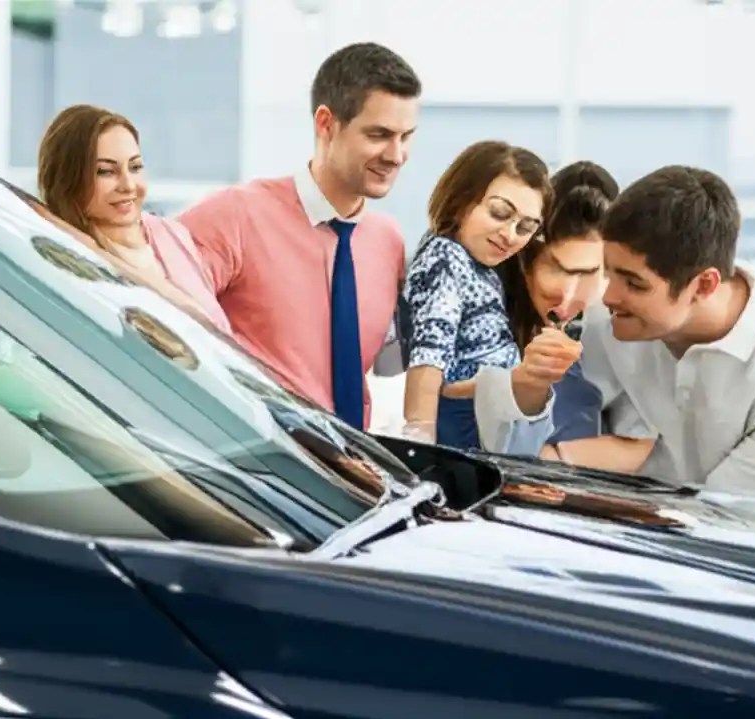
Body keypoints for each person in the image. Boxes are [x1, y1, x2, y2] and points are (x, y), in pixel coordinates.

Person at [554, 165, 755, 508]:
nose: (608, 297)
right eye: (608, 272)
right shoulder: (610, 320)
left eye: (634, 284)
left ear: (704, 285)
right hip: (647, 524)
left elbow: (731, 521)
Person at [177, 42, 421, 430]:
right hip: (254, 466)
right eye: (379, 134)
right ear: (326, 124)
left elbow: (388, 364)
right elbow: (149, 308)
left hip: (351, 469)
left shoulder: (387, 239)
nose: (397, 155)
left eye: (406, 136)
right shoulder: (235, 215)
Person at [398, 140, 561, 449]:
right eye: (500, 213)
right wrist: (419, 439)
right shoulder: (446, 256)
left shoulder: (483, 266)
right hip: (463, 427)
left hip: (490, 423)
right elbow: (429, 352)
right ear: (461, 200)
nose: (510, 236)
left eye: (526, 227)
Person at [463, 160, 618, 452]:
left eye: (588, 273)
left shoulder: (618, 331)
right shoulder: (480, 321)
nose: (568, 295)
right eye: (557, 268)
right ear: (526, 261)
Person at [37, 104, 231, 335]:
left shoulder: (171, 234)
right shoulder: (68, 256)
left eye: (135, 167)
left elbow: (214, 329)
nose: (128, 185)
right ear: (69, 178)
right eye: (106, 171)